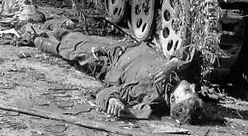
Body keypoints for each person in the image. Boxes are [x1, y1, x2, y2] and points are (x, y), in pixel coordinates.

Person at [34, 31, 203, 124]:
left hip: (108, 61)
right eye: (193, 91)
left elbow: (107, 92)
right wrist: (172, 63)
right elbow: (193, 50)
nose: (194, 87)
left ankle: (35, 38)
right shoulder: (182, 76)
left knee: (70, 47)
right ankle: (57, 29)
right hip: (125, 47)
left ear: (173, 98)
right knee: (71, 33)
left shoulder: (149, 91)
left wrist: (112, 101)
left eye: (188, 90)